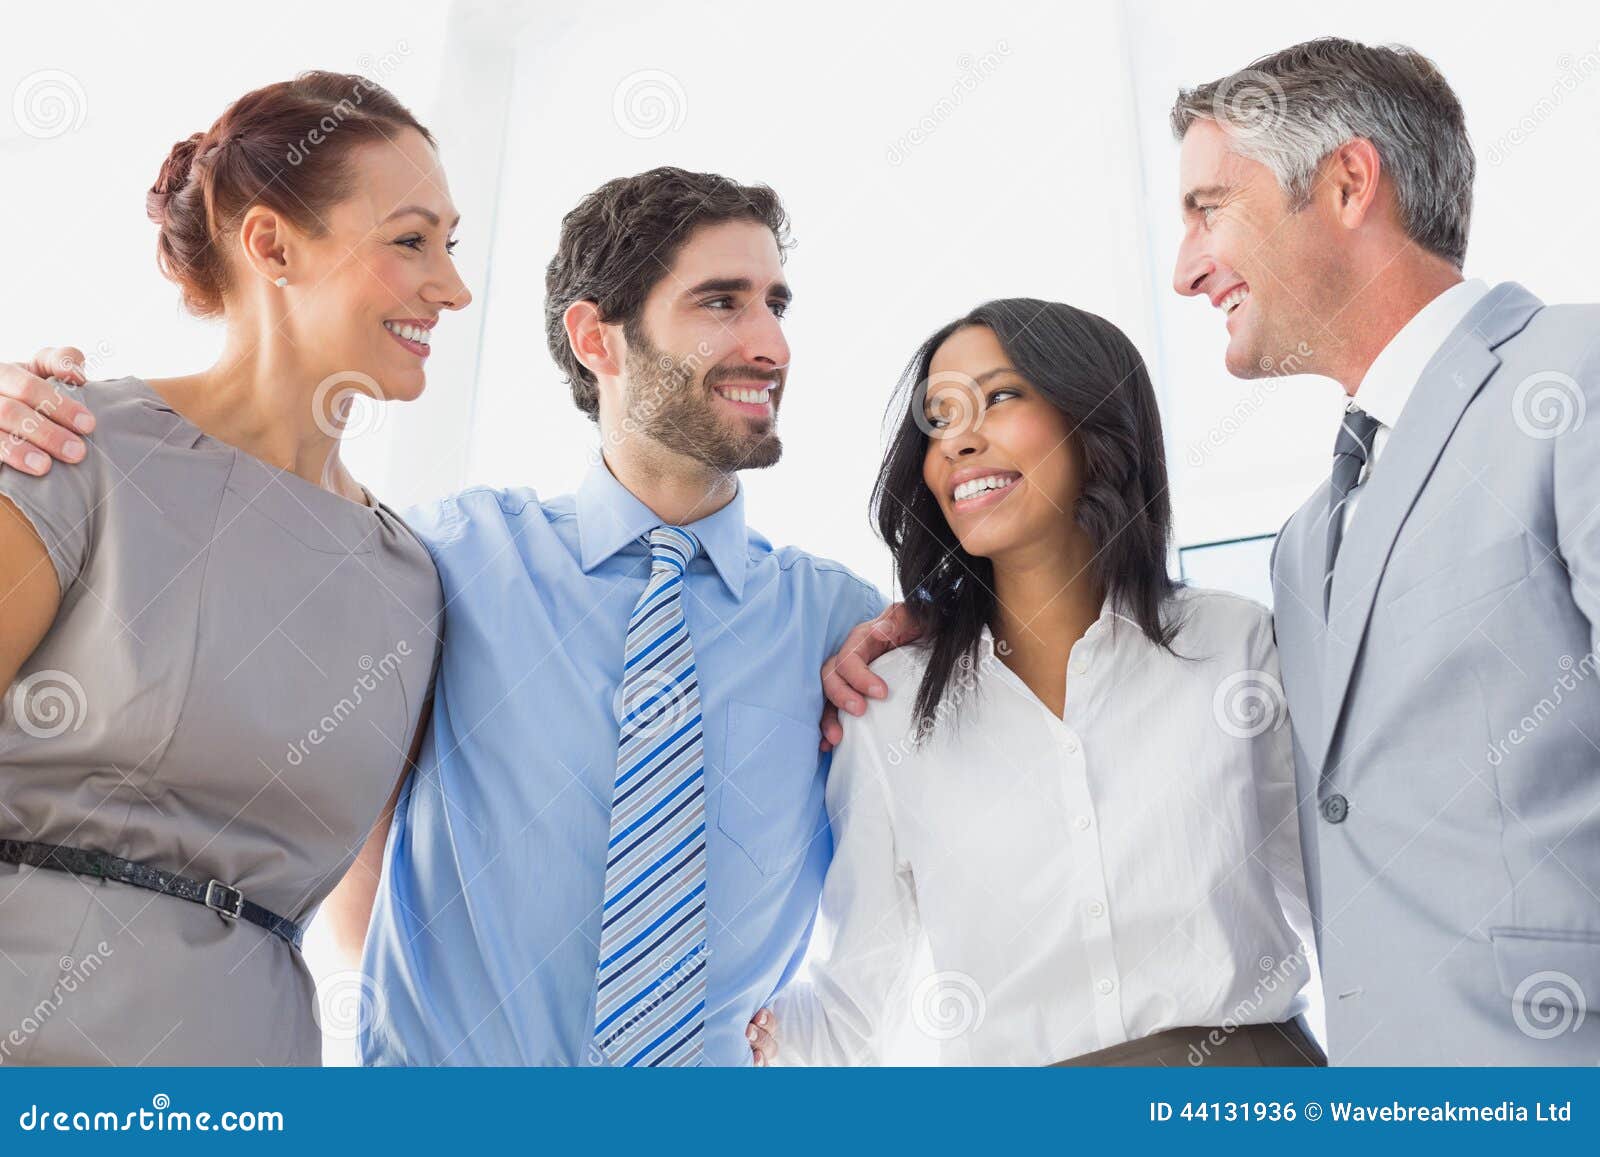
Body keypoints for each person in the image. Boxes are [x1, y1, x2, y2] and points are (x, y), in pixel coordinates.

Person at [823, 38, 1600, 1066]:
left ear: (1346, 183)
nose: (1186, 268)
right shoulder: (1310, 538)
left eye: (1208, 207)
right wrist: (973, 615)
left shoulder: (1570, 378)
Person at [1, 167, 886, 1066]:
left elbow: (918, 870)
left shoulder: (844, 626)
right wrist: (34, 409)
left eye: (776, 302)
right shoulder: (444, 561)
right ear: (596, 338)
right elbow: (241, 550)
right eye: (721, 302)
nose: (771, 342)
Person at [0, 71, 468, 1064]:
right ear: (270, 245)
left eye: (451, 245)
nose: (452, 286)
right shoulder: (75, 446)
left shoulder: (412, 579)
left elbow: (370, 915)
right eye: (410, 240)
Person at [743, 300, 1319, 1067]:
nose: (961, 439)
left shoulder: (1239, 648)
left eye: (1001, 396)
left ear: (1097, 422)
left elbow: (1345, 916)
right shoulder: (891, 711)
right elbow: (853, 1005)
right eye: (939, 419)